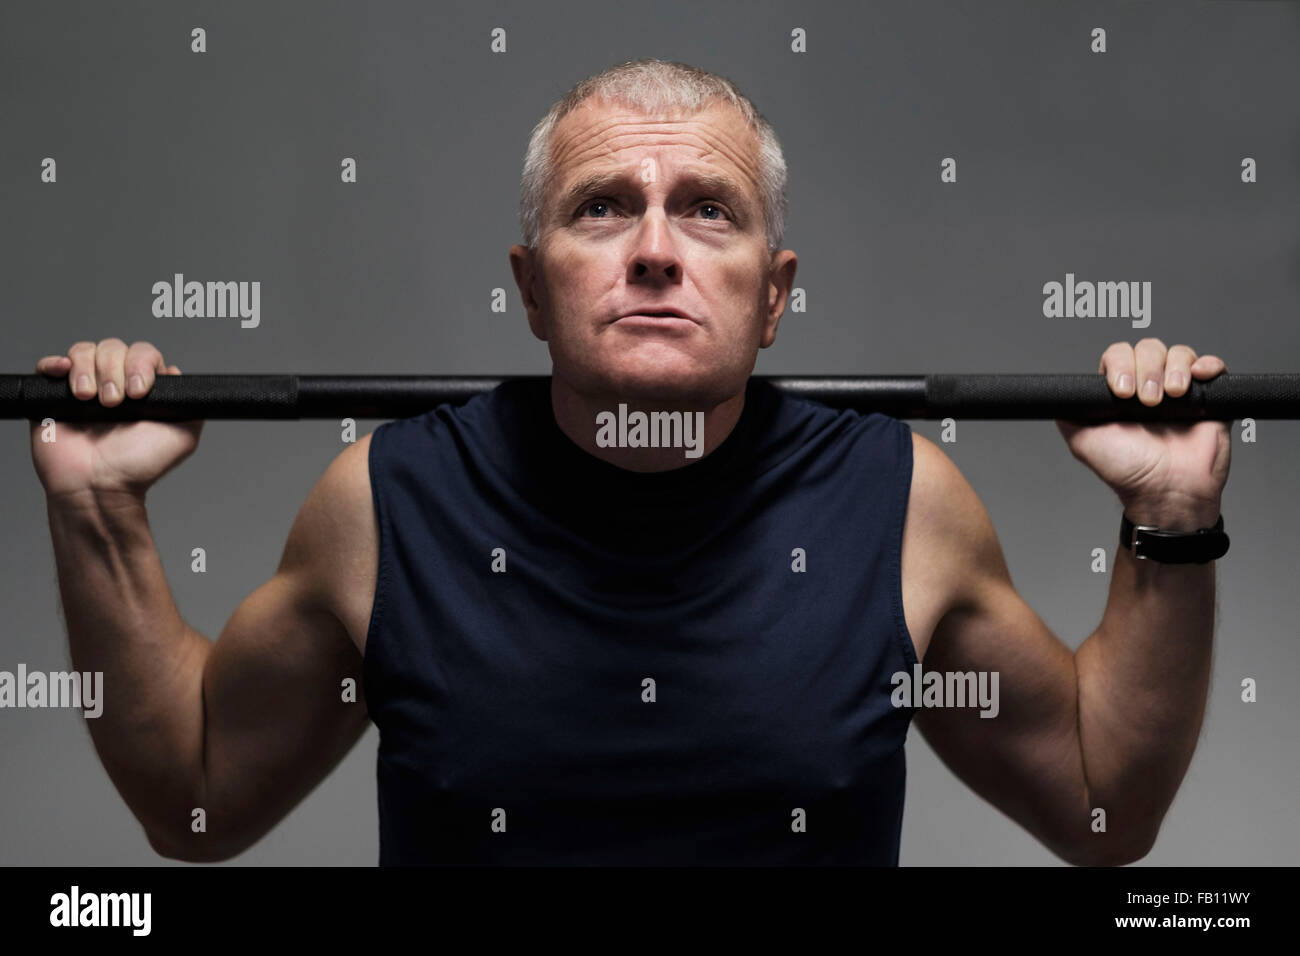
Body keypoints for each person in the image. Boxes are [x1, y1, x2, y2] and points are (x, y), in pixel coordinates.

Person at [29, 59, 1231, 865]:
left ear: (773, 293)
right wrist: (100, 507)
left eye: (709, 209)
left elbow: (1099, 803)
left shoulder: (901, 501)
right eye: (602, 206)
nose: (655, 248)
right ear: (529, 286)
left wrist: (1169, 513)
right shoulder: (388, 503)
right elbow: (196, 794)